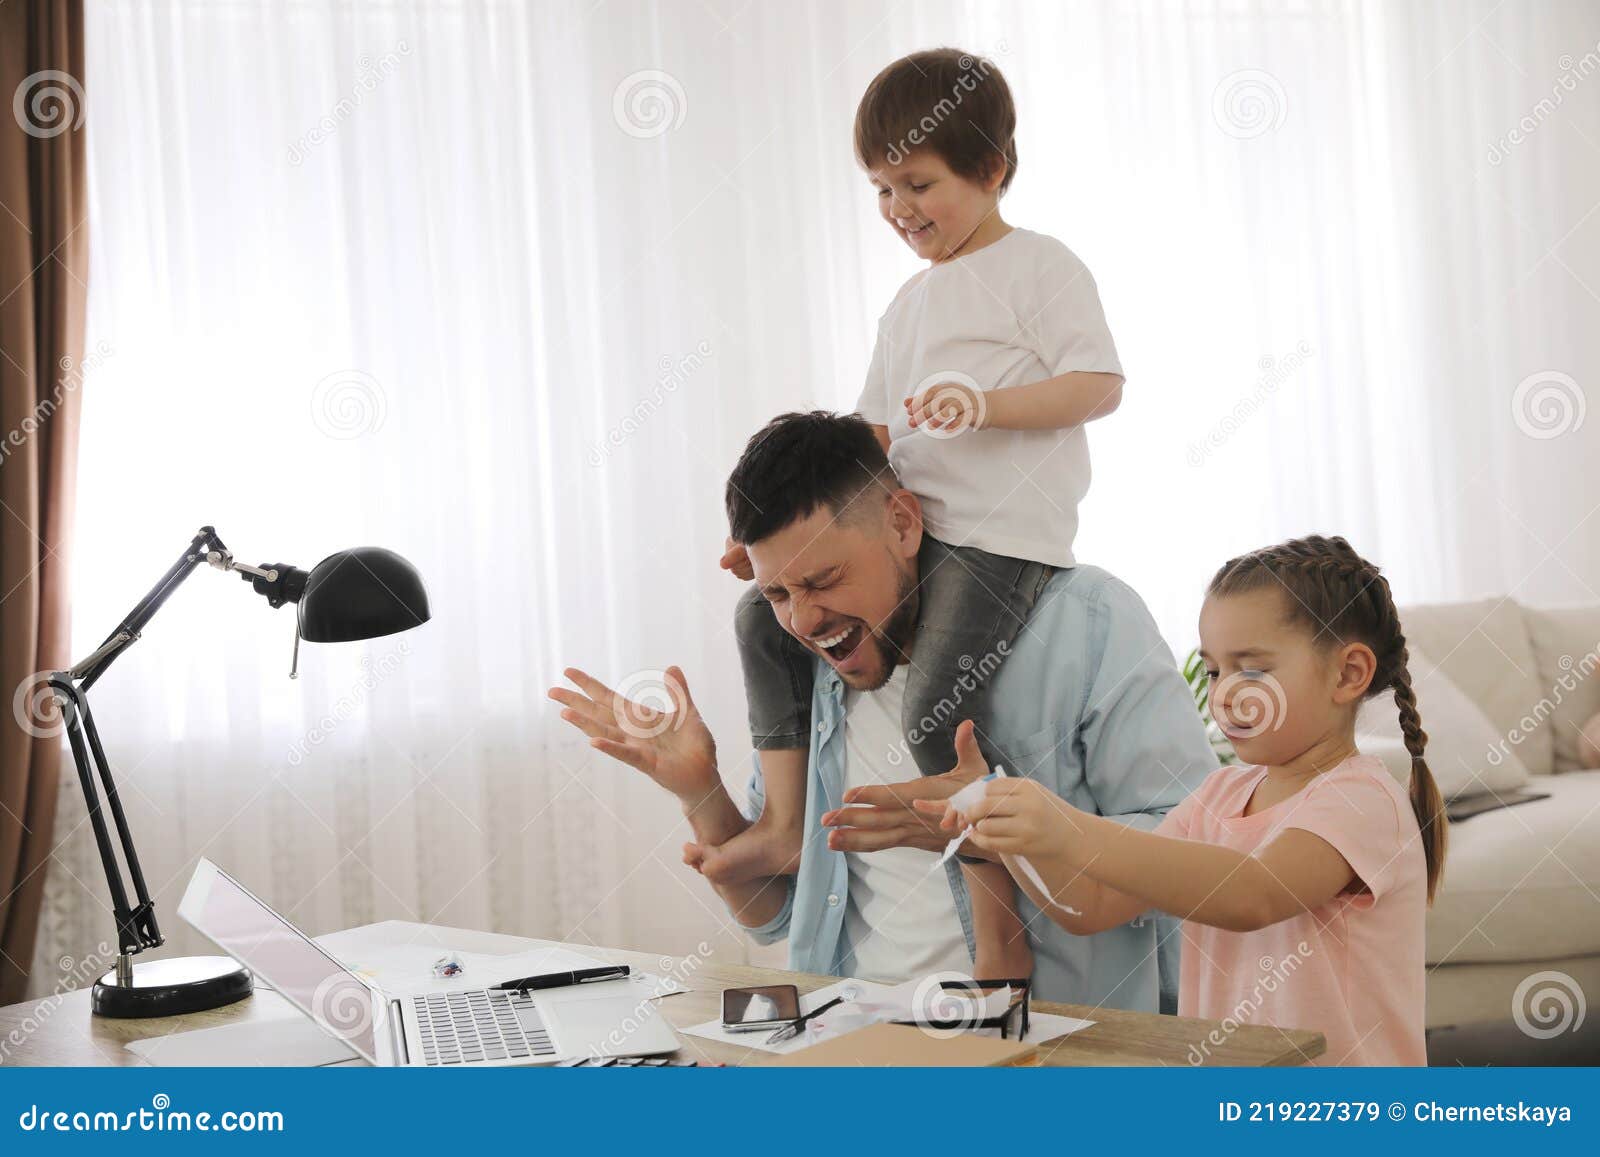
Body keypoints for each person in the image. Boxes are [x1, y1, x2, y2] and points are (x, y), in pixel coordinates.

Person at [551, 411, 1214, 1008]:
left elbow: (1200, 853)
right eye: (777, 592)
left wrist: (1009, 832)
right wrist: (700, 791)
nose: (803, 618)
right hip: (857, 1047)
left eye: (822, 580)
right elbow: (775, 915)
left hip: (1051, 1049)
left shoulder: (1084, 619)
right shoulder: (806, 676)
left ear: (902, 522)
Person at [709, 47, 1127, 981]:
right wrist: (767, 536)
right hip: (921, 540)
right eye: (881, 189)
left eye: (917, 183)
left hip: (999, 546)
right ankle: (784, 826)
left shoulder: (1040, 267)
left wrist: (987, 405)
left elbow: (1100, 385)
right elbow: (867, 431)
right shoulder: (909, 303)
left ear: (993, 169)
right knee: (756, 621)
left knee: (938, 709)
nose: (900, 208)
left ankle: (995, 923)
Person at [928, 535, 1445, 1064]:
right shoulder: (1218, 795)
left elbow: (1253, 895)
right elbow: (1086, 905)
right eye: (1214, 671)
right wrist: (999, 818)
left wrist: (1065, 827)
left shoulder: (1361, 800)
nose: (1222, 693)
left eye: (1253, 669)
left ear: (1348, 674)